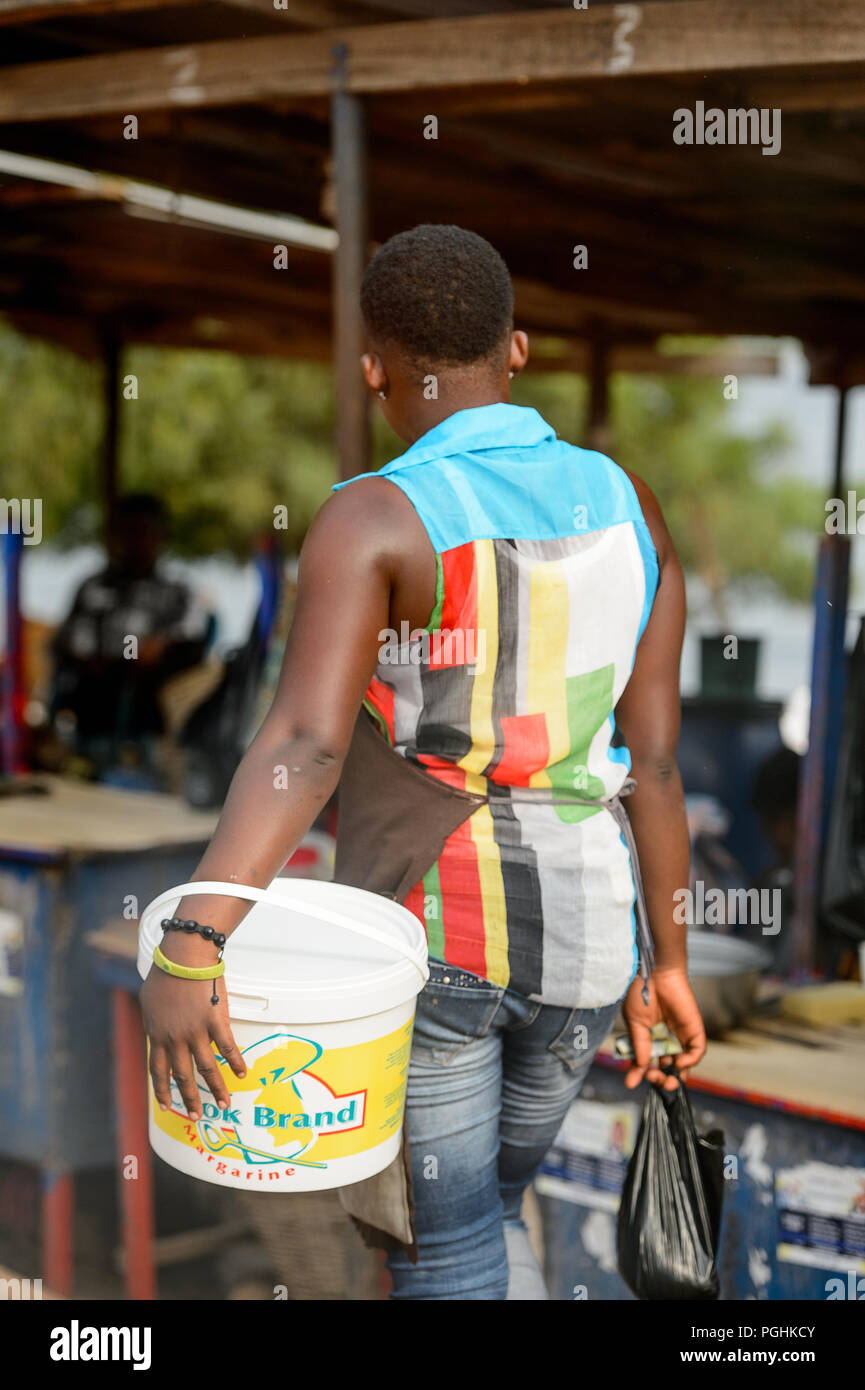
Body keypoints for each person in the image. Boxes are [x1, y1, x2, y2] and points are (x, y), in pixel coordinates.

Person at [140, 225, 706, 1300]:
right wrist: (665, 961)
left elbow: (303, 744)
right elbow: (659, 765)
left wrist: (194, 938)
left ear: (373, 367)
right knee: (490, 1215)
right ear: (520, 349)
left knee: (437, 1248)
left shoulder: (375, 519)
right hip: (591, 942)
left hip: (437, 932)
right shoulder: (628, 503)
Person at [51, 493, 213, 780]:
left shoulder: (178, 595)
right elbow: (67, 643)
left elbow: (197, 645)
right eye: (129, 532)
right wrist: (94, 660)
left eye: (145, 532)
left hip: (151, 726)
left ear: (161, 536)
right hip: (93, 722)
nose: (136, 541)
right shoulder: (93, 588)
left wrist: (161, 650)